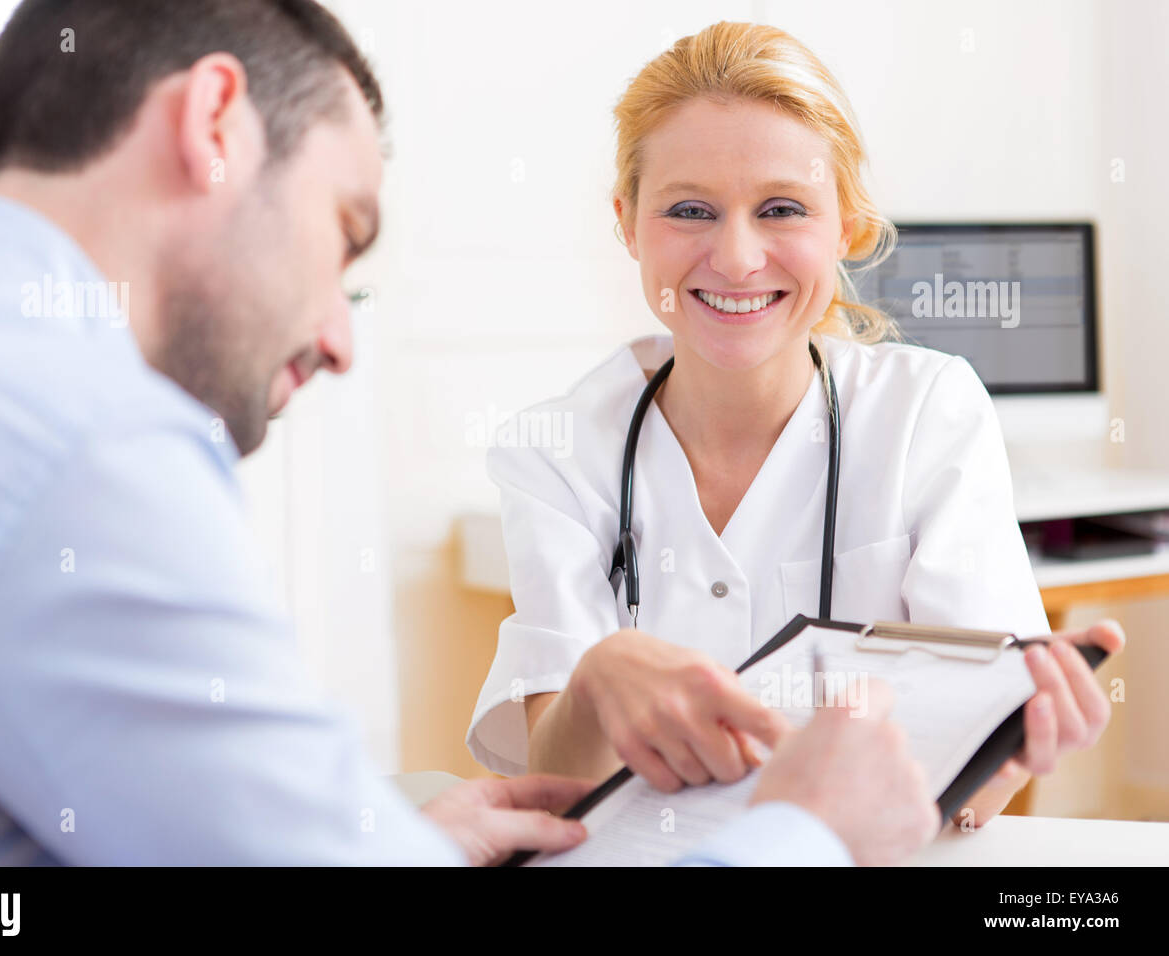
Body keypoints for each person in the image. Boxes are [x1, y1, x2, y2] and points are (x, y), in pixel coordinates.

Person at [0, 0, 972, 867]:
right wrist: (810, 837)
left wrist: (381, 848)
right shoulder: (84, 447)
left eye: (781, 209)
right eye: (345, 233)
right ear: (213, 123)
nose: (341, 338)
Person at [466, 21, 1124, 829]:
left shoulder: (929, 415)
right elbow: (561, 781)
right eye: (689, 210)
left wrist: (1013, 743)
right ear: (627, 223)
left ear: (844, 223)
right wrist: (598, 681)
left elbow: (978, 777)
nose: (738, 258)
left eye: (781, 208)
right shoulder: (559, 452)